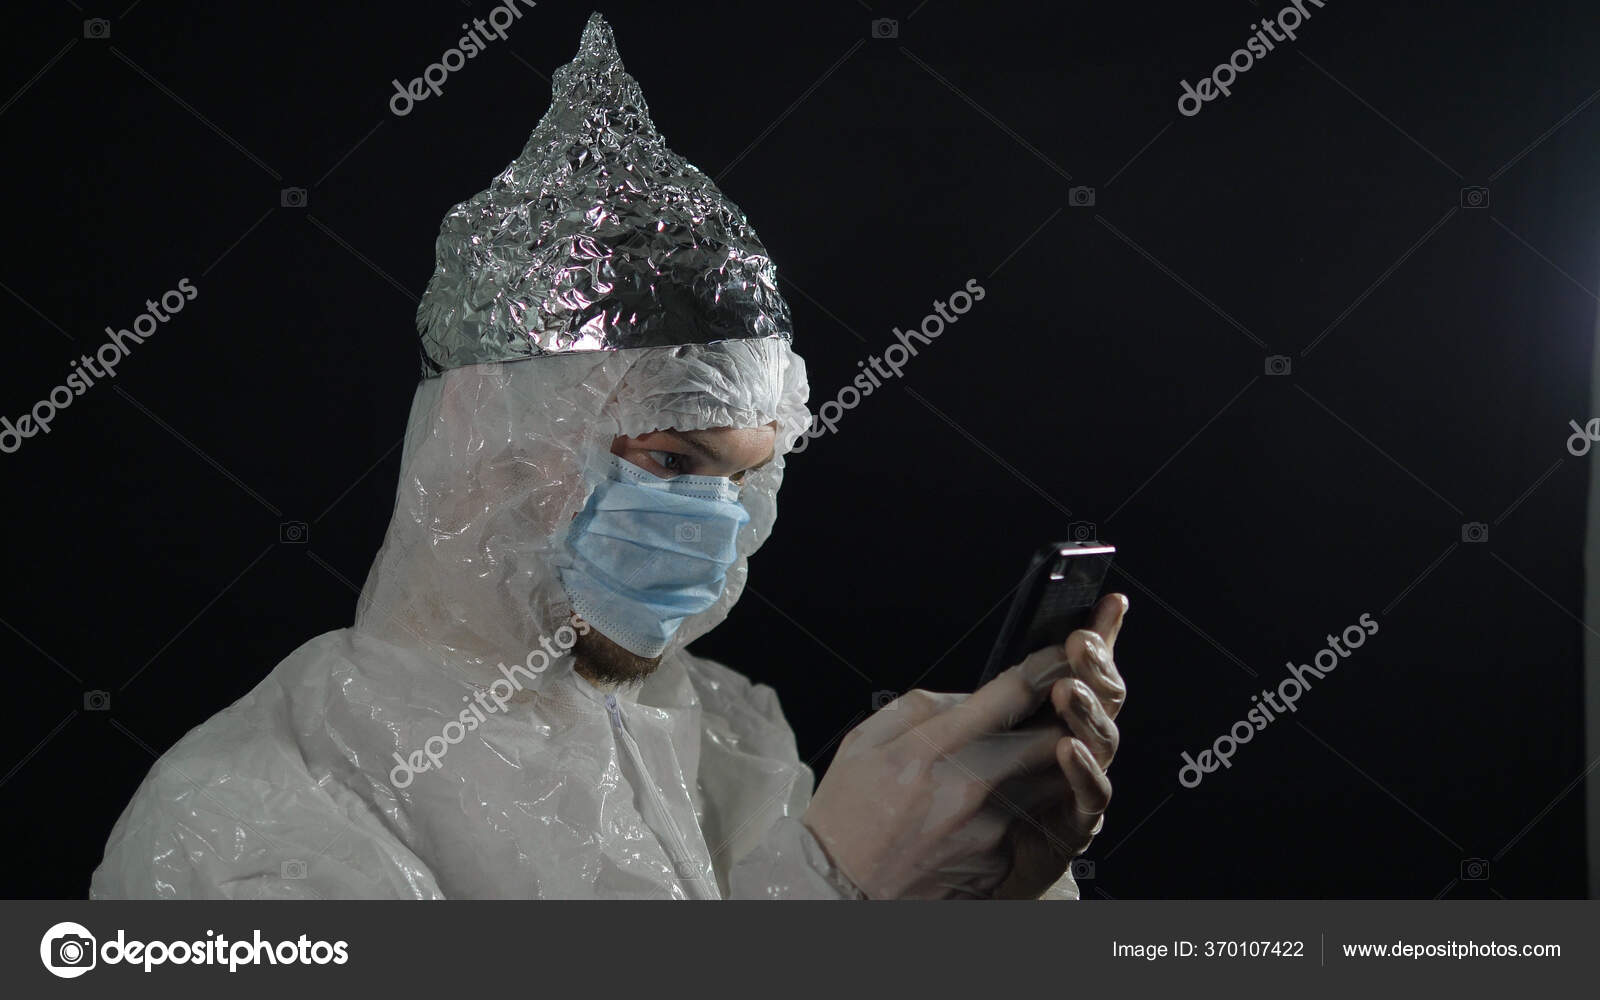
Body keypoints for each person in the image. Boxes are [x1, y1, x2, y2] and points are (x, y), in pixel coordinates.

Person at [89, 12, 1126, 901]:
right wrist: (825, 893)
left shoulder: (722, 737)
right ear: (483, 437)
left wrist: (980, 897)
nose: (717, 527)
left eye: (747, 474)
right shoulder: (246, 822)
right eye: (673, 461)